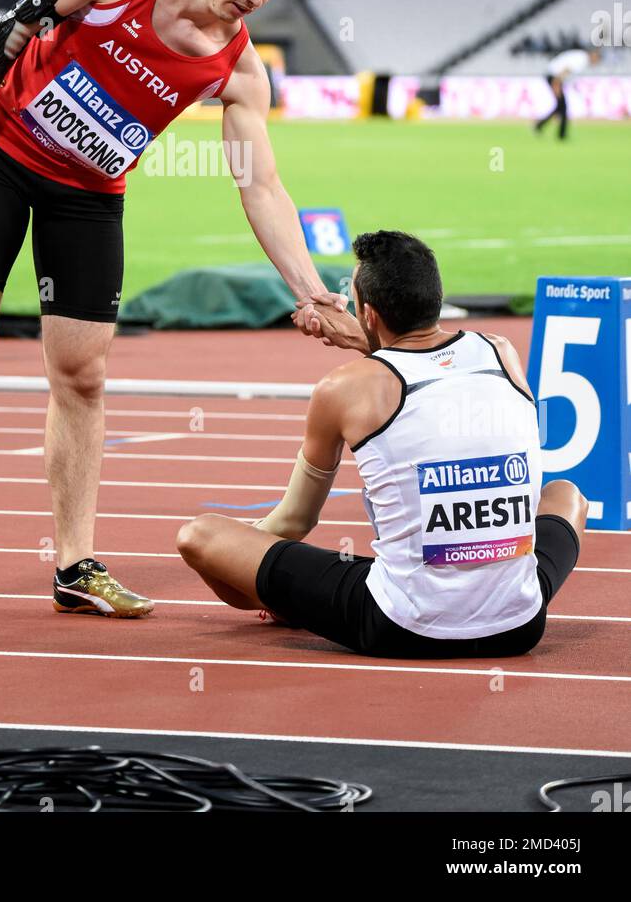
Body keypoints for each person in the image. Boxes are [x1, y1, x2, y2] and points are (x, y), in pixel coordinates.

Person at [0, 0, 368, 622]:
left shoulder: (237, 70)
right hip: (2, 156)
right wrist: (13, 32)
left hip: (89, 194)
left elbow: (259, 184)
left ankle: (72, 566)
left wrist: (311, 291)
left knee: (83, 373)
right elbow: (29, 13)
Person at [177, 230, 587, 658]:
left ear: (369, 314)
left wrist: (248, 558)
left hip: (401, 625)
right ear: (434, 296)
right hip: (519, 625)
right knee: (565, 496)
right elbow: (426, 360)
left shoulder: (340, 389)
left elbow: (293, 523)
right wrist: (360, 336)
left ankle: (289, 600)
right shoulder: (501, 353)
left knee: (201, 536)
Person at [534, 47, 600, 140]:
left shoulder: (581, 57)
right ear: (593, 56)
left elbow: (569, 73)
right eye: (596, 59)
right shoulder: (582, 59)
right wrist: (556, 84)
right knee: (563, 106)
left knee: (560, 106)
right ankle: (561, 134)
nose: (595, 63)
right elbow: (566, 70)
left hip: (555, 77)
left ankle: (540, 125)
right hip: (555, 78)